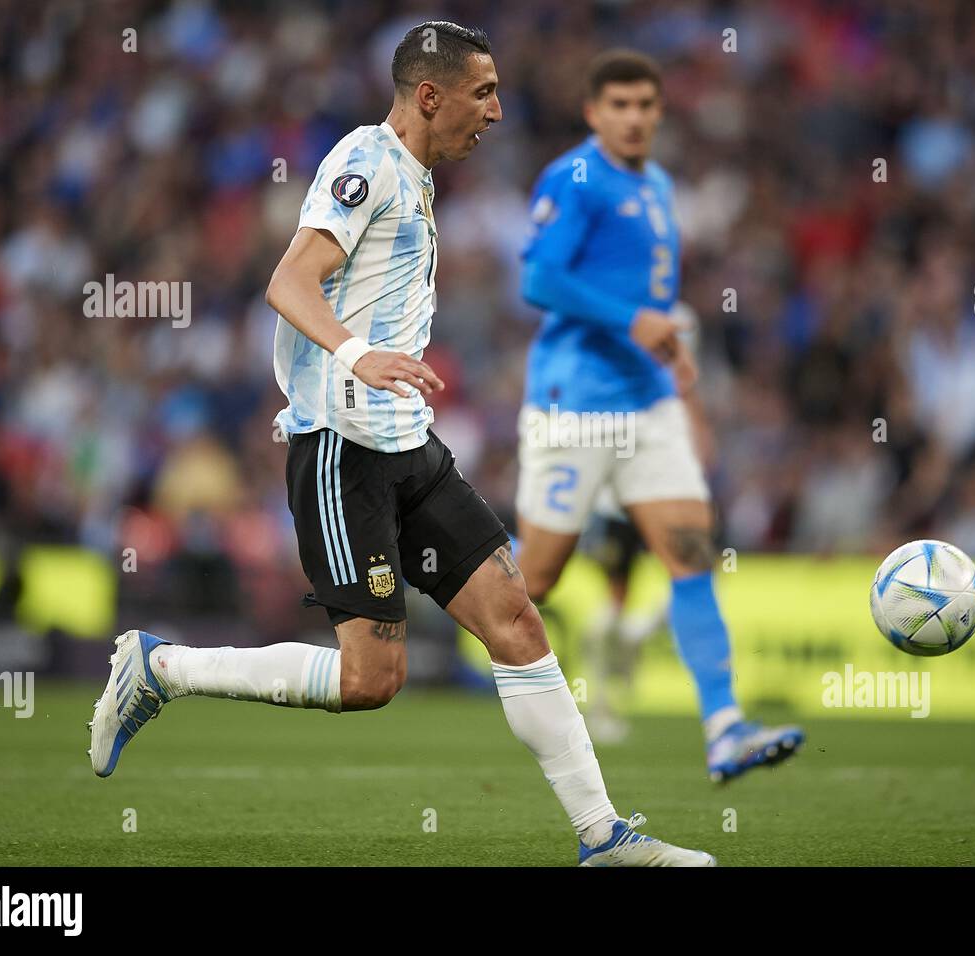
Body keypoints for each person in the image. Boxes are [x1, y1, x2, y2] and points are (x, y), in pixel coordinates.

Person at [88, 21, 714, 867]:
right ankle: (161, 668)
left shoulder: (414, 177)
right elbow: (288, 281)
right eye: (482, 92)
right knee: (370, 680)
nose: (494, 111)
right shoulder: (368, 162)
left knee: (518, 621)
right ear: (430, 95)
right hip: (341, 452)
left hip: (408, 447)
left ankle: (603, 837)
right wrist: (356, 354)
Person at [515, 50, 803, 782]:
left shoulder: (662, 184)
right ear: (593, 112)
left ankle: (724, 728)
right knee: (534, 581)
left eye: (646, 105)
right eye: (619, 105)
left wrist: (671, 356)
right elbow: (539, 277)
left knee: (689, 554)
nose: (635, 117)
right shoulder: (575, 177)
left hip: (649, 406)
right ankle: (410, 624)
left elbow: (650, 296)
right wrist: (632, 320)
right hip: (574, 404)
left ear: (660, 111)